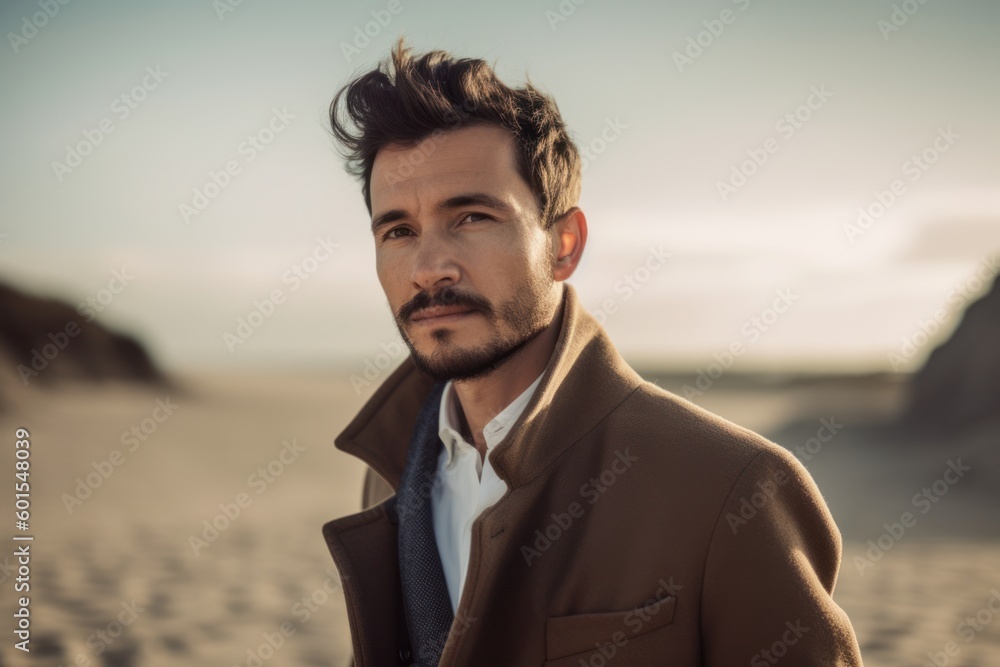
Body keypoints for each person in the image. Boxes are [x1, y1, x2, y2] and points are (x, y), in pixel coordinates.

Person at [321, 36, 863, 667]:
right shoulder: (387, 472)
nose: (428, 268)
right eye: (398, 230)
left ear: (564, 244)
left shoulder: (731, 489)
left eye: (471, 218)